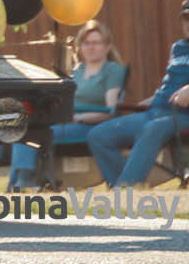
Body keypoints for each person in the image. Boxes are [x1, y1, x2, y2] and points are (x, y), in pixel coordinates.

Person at [87, 0, 189, 187]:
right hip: (157, 111)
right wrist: (152, 99)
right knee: (99, 134)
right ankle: (120, 189)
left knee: (153, 128)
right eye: (187, 19)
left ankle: (128, 186)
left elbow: (186, 89)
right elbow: (171, 84)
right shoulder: (178, 48)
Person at [9, 19, 126, 189]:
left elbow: (111, 110)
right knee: (25, 127)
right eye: (86, 43)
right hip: (66, 122)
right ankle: (20, 182)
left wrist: (79, 118)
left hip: (91, 126)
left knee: (33, 134)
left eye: (96, 43)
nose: (90, 47)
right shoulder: (76, 71)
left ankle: (22, 182)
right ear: (80, 46)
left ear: (107, 46)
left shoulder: (112, 70)